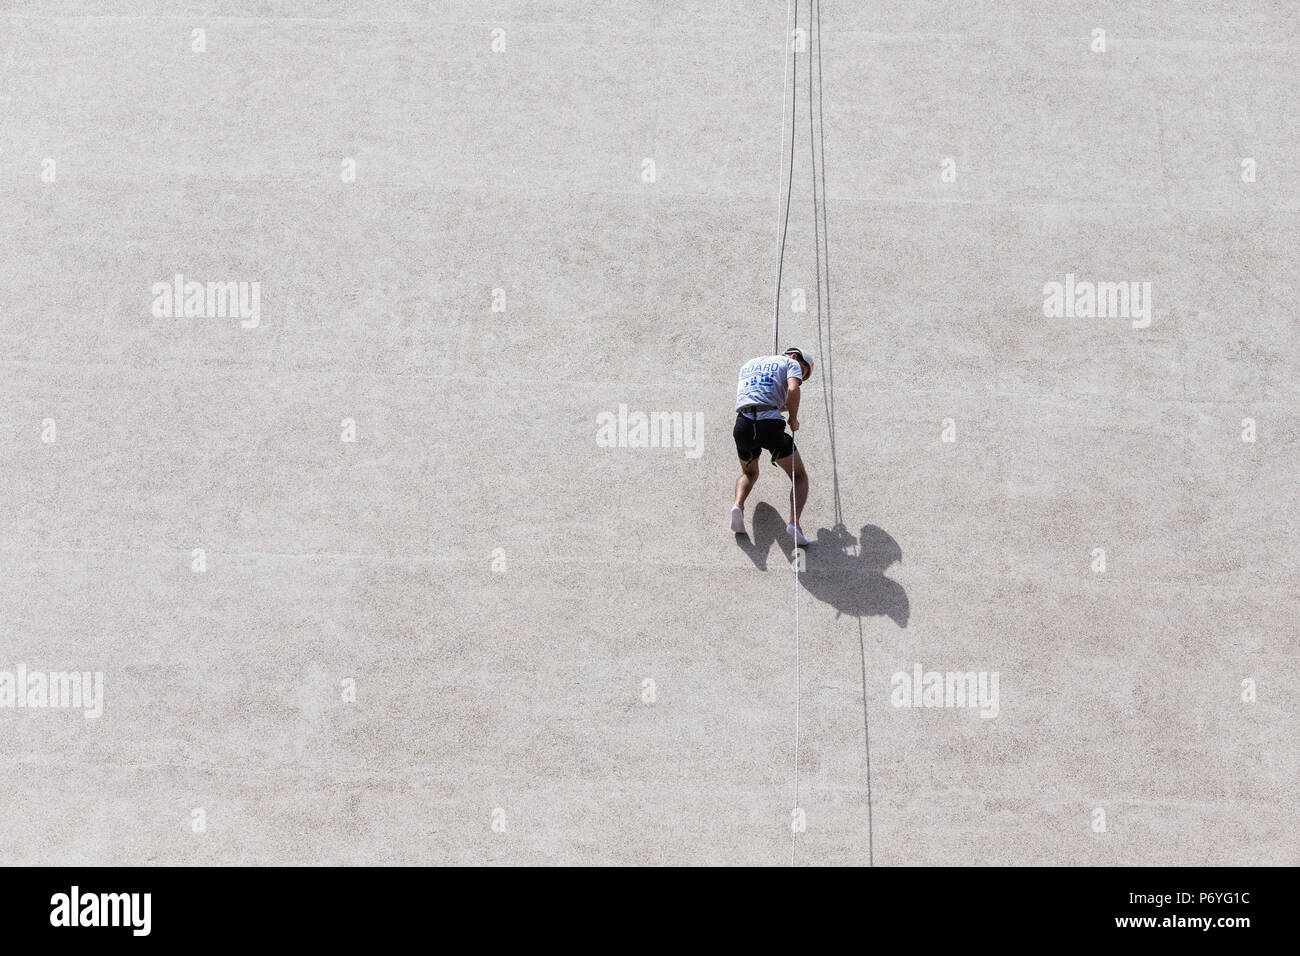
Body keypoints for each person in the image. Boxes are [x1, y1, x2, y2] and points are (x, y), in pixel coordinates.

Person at [730, 347, 812, 547]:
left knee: (749, 472)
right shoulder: (790, 363)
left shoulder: (749, 364)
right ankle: (794, 523)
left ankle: (738, 506)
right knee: (799, 476)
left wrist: (781, 405)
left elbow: (758, 396)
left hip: (743, 426)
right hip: (770, 427)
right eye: (802, 372)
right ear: (794, 356)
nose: (800, 375)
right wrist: (793, 419)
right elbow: (793, 389)